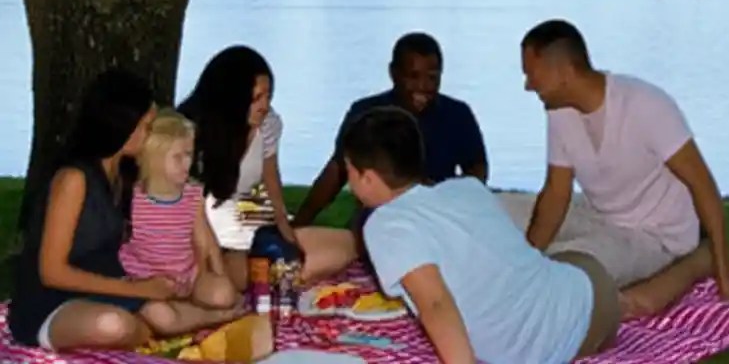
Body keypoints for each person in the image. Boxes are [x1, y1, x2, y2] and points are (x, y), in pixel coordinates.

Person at [503, 18, 729, 320]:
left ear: (563, 71)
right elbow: (556, 193)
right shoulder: (559, 112)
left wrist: (726, 277)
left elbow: (702, 185)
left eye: (531, 73)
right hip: (599, 213)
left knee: (564, 270)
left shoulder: (645, 104)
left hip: (654, 234)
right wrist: (529, 255)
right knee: (494, 209)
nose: (528, 85)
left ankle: (698, 260)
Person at [344, 105, 619, 364]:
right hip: (594, 303)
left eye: (349, 172)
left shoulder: (386, 224)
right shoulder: (467, 188)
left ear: (367, 177)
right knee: (551, 262)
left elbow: (436, 304)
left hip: (562, 339)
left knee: (561, 261)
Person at [8, 69, 241, 351]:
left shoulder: (125, 175)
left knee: (159, 313)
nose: (151, 133)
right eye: (147, 125)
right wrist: (137, 290)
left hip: (107, 288)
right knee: (114, 325)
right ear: (123, 125)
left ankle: (211, 319)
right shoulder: (74, 179)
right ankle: (162, 331)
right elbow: (51, 272)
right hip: (52, 301)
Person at [290, 32, 488, 283]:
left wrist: (446, 195)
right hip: (378, 217)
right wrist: (300, 222)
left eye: (432, 77)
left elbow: (478, 168)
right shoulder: (366, 112)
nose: (423, 86)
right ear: (393, 73)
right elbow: (337, 170)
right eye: (413, 76)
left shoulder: (458, 114)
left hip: (436, 217)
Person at [180, 45, 295, 291]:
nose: (264, 106)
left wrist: (286, 231)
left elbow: (271, 180)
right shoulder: (190, 132)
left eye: (268, 97)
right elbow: (190, 211)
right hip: (201, 236)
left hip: (247, 225)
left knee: (338, 246)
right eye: (256, 99)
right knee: (249, 275)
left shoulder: (269, 124)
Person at [119, 108, 238, 313]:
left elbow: (205, 242)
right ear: (154, 158)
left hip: (188, 278)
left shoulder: (192, 195)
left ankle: (187, 309)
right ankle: (191, 315)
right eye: (177, 157)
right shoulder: (133, 197)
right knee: (157, 312)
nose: (187, 163)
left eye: (189, 155)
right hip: (145, 281)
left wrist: (218, 275)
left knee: (223, 293)